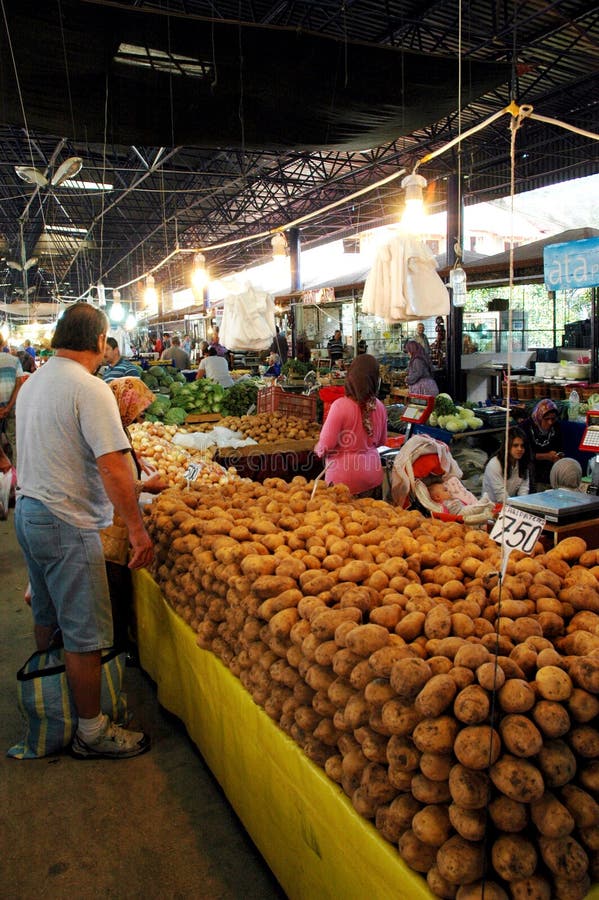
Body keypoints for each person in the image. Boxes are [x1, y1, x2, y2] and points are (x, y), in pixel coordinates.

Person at [14, 302, 153, 759]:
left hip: (30, 511)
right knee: (85, 633)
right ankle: (91, 731)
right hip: (66, 522)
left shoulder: (33, 383)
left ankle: (59, 703)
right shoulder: (90, 388)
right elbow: (113, 467)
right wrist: (136, 529)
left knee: (48, 618)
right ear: (98, 341)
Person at [103, 377, 168, 652]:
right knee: (114, 590)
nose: (140, 415)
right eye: (137, 408)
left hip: (117, 523)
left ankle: (121, 641)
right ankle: (117, 649)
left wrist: (135, 458)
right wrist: (146, 485)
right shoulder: (108, 435)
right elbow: (109, 482)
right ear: (124, 405)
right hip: (109, 528)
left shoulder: (117, 428)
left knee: (118, 587)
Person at [315, 354, 387, 497]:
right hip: (374, 478)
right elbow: (381, 442)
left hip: (344, 483)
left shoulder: (340, 406)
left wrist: (318, 449)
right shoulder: (379, 406)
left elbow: (326, 445)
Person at [521, 398, 564, 491]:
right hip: (531, 469)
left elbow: (560, 447)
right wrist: (545, 456)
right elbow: (523, 454)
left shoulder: (556, 427)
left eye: (553, 419)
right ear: (539, 416)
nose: (550, 422)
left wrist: (558, 456)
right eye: (546, 419)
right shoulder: (525, 428)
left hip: (550, 468)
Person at [482, 426, 531, 503]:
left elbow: (524, 489)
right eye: (515, 445)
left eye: (522, 446)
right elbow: (501, 495)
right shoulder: (494, 464)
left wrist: (523, 505)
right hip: (492, 506)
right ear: (507, 446)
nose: (520, 449)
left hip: (511, 504)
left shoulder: (523, 463)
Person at [0, 332, 24, 460]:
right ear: (3, 344)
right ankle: (15, 472)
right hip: (12, 407)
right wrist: (8, 407)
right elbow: (19, 384)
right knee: (13, 440)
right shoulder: (14, 360)